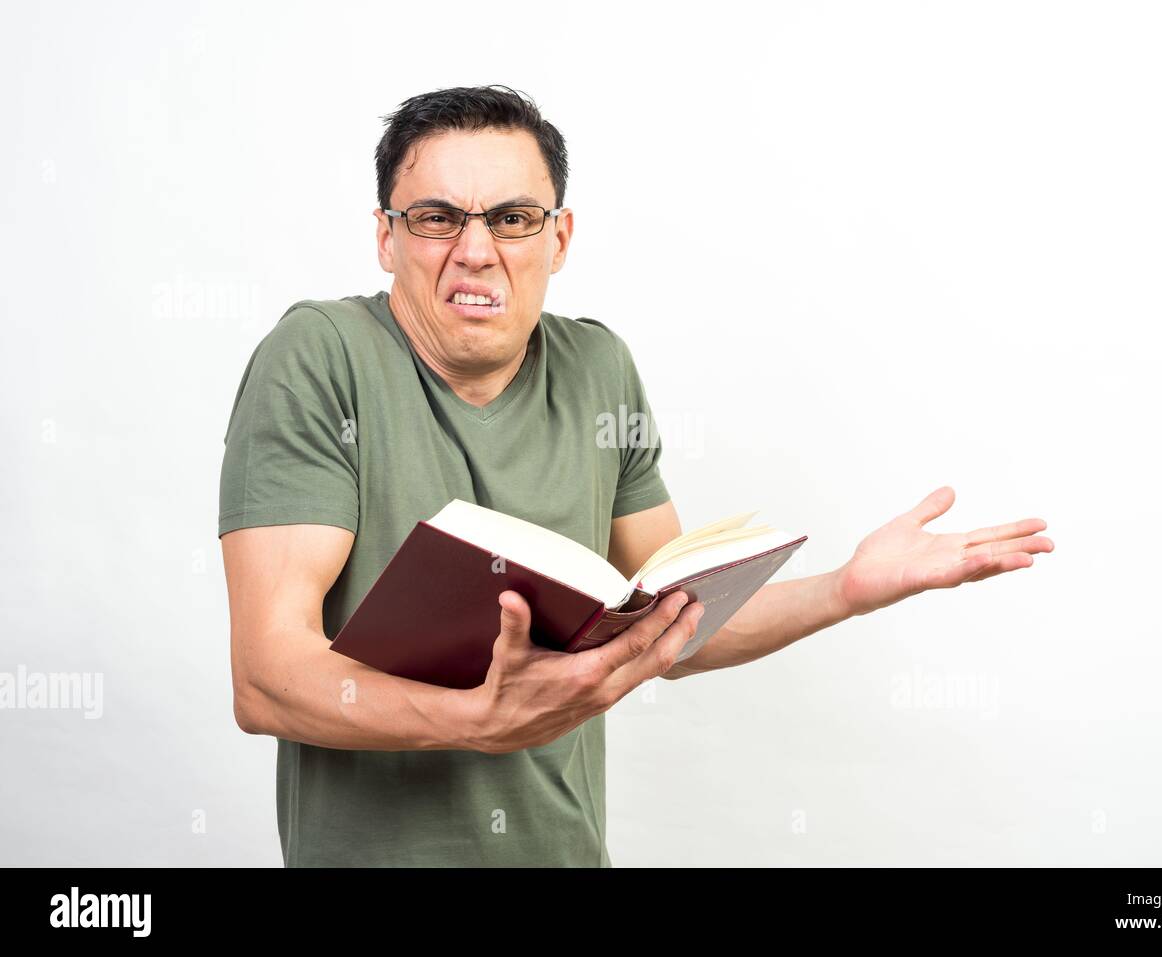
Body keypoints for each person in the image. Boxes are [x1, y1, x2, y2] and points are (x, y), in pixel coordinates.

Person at [218, 84, 1054, 867]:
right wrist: (476, 720)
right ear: (386, 236)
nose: (475, 251)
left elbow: (675, 624)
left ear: (559, 238)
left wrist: (848, 587)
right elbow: (266, 675)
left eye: (512, 218)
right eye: (437, 218)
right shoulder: (319, 356)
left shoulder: (597, 368)